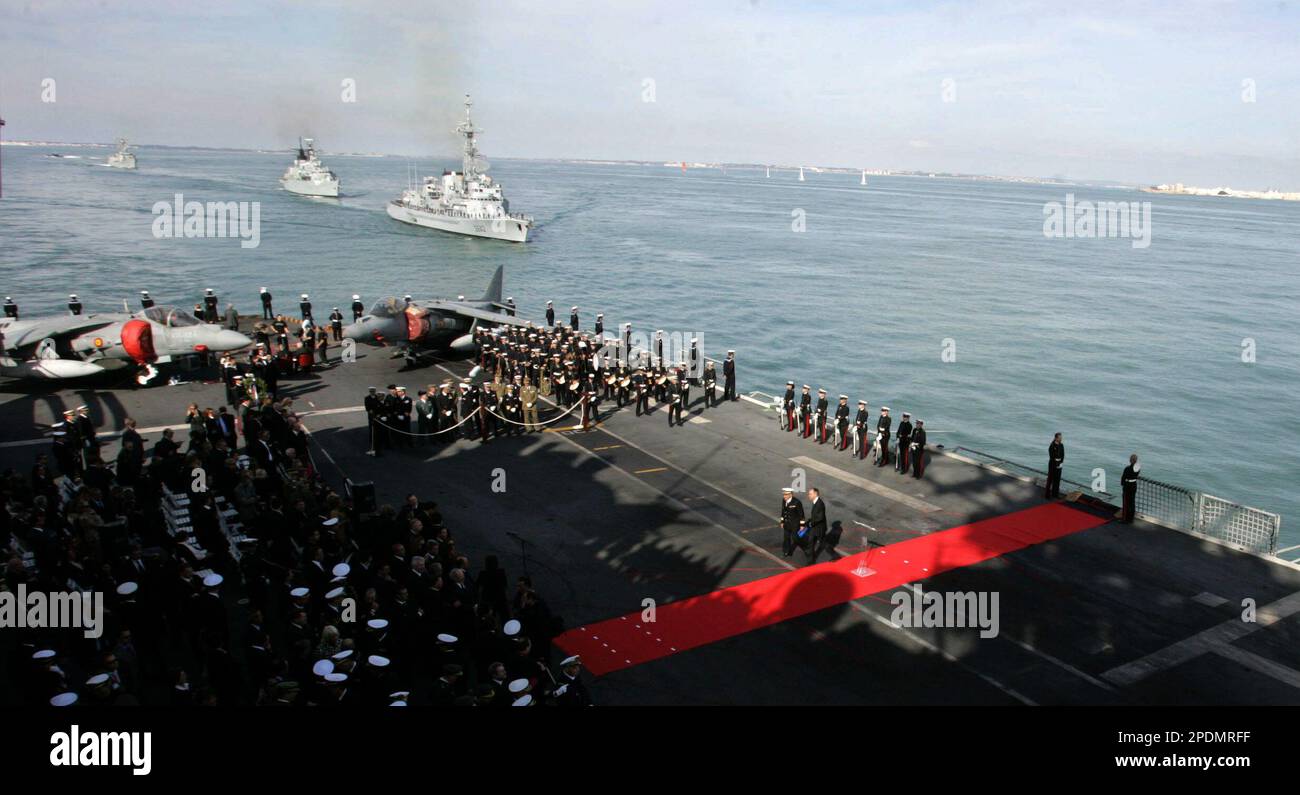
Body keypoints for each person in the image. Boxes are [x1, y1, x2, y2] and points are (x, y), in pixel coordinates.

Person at [779, 487, 805, 558]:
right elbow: (783, 511)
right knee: (786, 538)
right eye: (784, 494)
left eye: (786, 495)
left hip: (795, 525)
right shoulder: (784, 500)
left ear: (791, 495)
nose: (784, 496)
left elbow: (801, 514)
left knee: (795, 538)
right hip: (787, 524)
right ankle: (786, 551)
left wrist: (802, 525)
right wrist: (782, 521)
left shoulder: (797, 502)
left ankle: (806, 548)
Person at [806, 487, 827, 561]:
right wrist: (809, 521)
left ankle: (834, 556)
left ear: (815, 494)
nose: (808, 495)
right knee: (811, 542)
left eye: (810, 494)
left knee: (823, 543)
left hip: (819, 528)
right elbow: (815, 516)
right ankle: (810, 558)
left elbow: (820, 517)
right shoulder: (815, 502)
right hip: (815, 528)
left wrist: (811, 523)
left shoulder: (819, 504)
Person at [1121, 454, 1140, 523]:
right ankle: (1131, 518)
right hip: (1134, 485)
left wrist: (1123, 484)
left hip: (1127, 485)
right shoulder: (1138, 468)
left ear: (1131, 460)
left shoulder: (1127, 468)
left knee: (1126, 502)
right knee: (1132, 502)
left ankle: (1125, 519)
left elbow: (1124, 477)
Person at [1046, 433, 1065, 499]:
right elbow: (1051, 456)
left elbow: (1063, 455)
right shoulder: (1052, 445)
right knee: (1050, 479)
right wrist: (1056, 462)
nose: (1061, 439)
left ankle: (1055, 494)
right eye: (1059, 437)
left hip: (1059, 465)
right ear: (1056, 438)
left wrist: (1060, 463)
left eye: (1061, 437)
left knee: (1057, 480)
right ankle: (1047, 495)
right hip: (1052, 464)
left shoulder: (1061, 445)